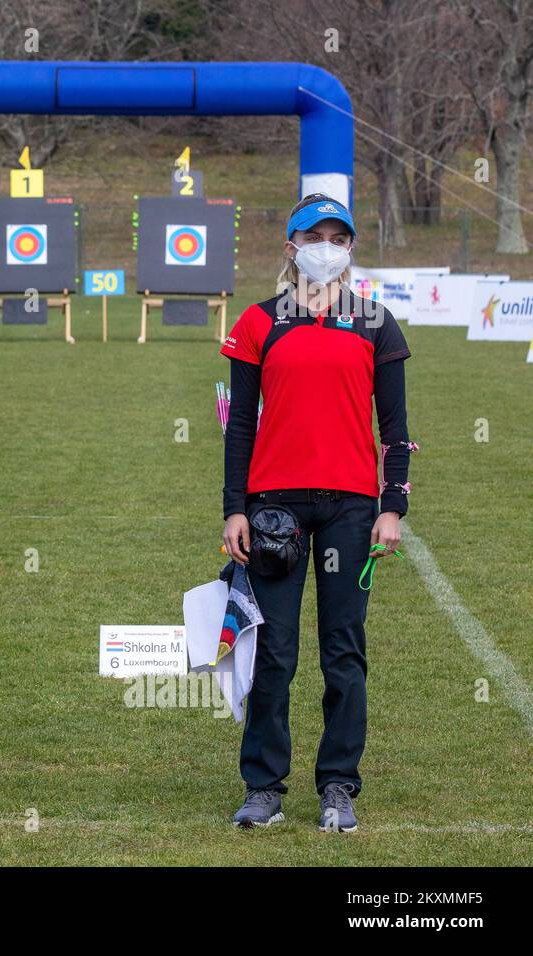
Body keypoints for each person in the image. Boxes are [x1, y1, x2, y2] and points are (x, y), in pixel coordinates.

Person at [220, 194, 412, 832]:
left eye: (338, 236)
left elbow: (396, 426)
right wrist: (234, 510)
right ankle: (264, 787)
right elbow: (239, 426)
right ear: (291, 245)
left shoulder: (376, 322)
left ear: (350, 247)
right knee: (273, 651)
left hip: (352, 509)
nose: (326, 245)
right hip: (274, 507)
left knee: (343, 650)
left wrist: (394, 506)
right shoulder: (258, 322)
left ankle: (337, 786)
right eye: (315, 234)